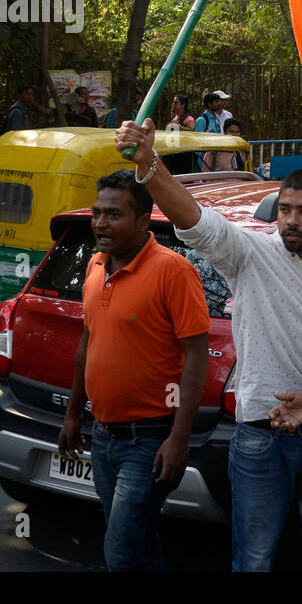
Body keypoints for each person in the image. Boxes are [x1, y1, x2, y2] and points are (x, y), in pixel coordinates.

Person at [115, 118, 302, 571]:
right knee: (254, 560)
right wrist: (149, 163)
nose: (290, 219)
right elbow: (193, 218)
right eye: (285, 208)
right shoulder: (251, 253)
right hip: (260, 443)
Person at [55, 171, 211, 571]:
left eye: (114, 215)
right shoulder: (94, 266)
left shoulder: (173, 271)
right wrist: (73, 414)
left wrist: (180, 439)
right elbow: (87, 344)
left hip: (151, 440)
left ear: (143, 221)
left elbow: (196, 356)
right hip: (103, 435)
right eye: (97, 213)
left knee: (121, 552)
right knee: (138, 542)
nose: (101, 223)